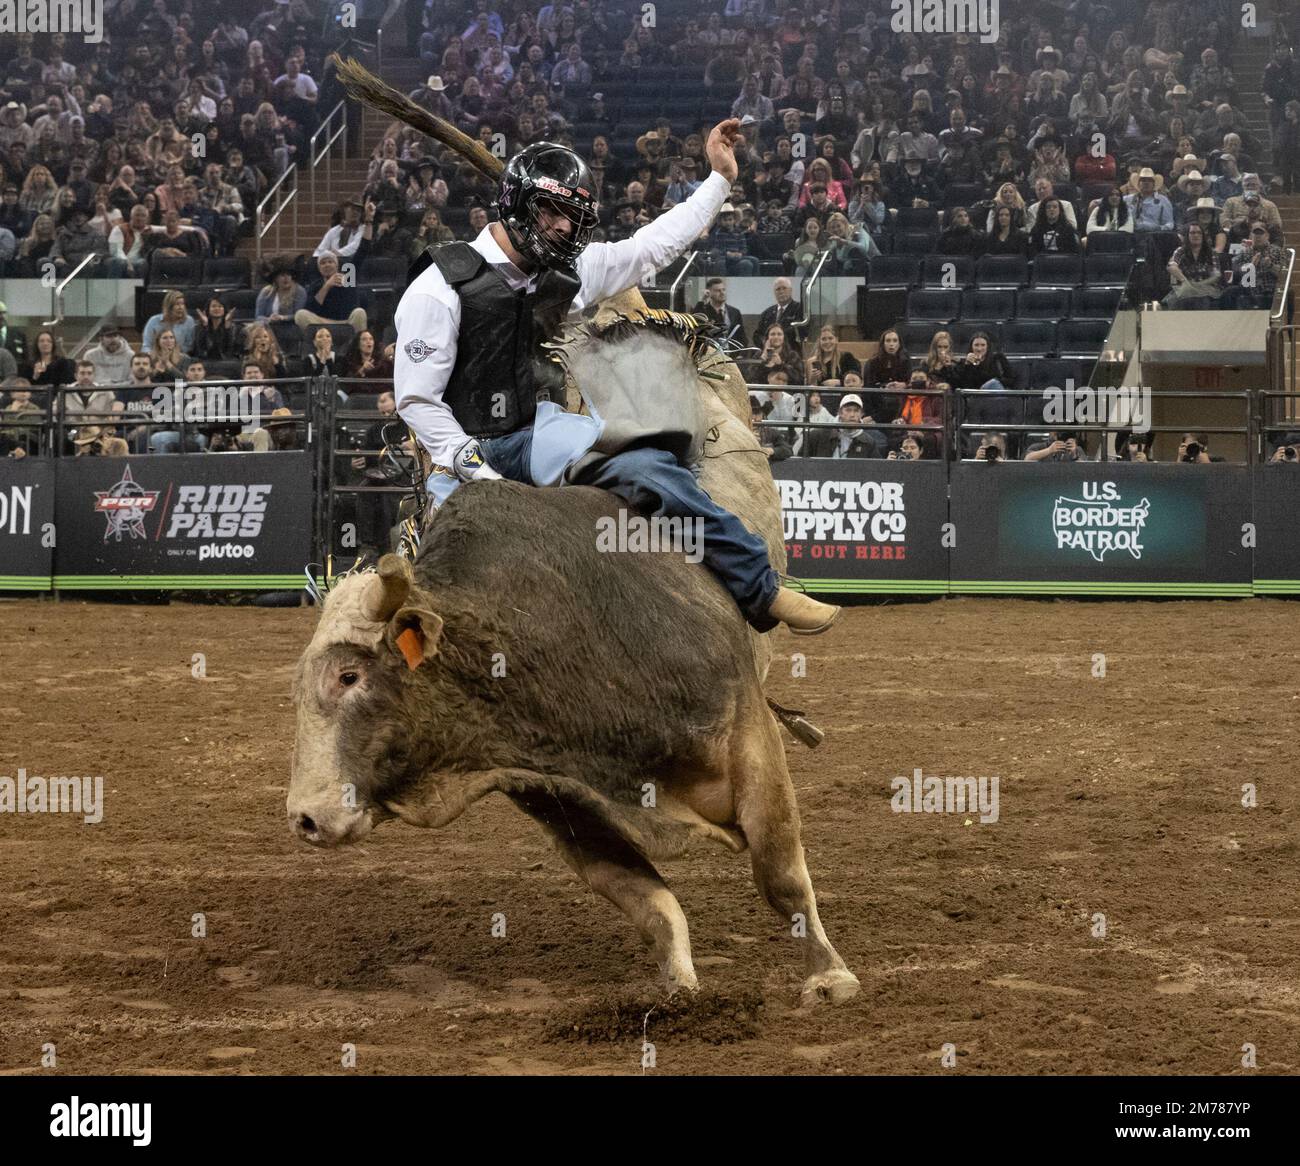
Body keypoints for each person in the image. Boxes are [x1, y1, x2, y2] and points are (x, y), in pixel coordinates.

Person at [393, 124, 839, 634]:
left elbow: (650, 247)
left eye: (572, 218)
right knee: (443, 594)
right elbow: (417, 402)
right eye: (551, 211)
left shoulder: (565, 273)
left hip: (536, 436)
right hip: (466, 455)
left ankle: (761, 591)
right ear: (517, 204)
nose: (562, 227)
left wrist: (719, 178)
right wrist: (475, 467)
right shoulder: (437, 289)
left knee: (649, 467)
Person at [295, 250, 368, 333]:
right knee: (300, 315)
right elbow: (311, 309)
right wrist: (327, 286)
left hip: (346, 323)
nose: (327, 265)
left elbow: (351, 307)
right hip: (323, 325)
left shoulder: (348, 281)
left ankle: (357, 344)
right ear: (319, 269)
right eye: (323, 263)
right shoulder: (315, 286)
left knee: (359, 312)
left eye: (330, 262)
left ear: (337, 266)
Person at [692, 276, 748, 347]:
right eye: (718, 291)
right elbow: (694, 322)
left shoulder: (734, 312)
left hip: (732, 353)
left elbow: (741, 336)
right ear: (709, 292)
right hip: (710, 352)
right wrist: (702, 299)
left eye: (723, 290)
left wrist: (741, 354)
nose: (722, 293)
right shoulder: (703, 310)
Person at [755, 276, 805, 347]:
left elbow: (800, 331)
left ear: (790, 290)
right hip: (768, 352)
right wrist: (765, 344)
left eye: (784, 288)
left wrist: (777, 341)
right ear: (774, 292)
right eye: (778, 289)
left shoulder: (800, 309)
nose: (781, 291)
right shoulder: (766, 313)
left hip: (791, 353)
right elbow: (757, 335)